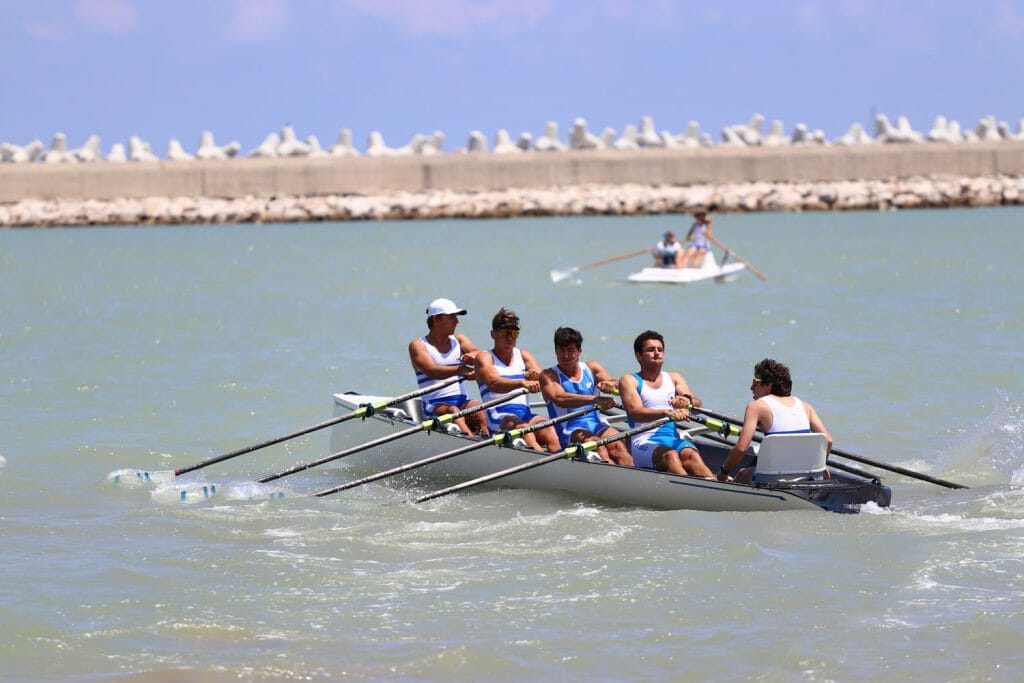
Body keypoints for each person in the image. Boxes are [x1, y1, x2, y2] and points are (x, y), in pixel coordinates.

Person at [717, 358, 833, 483]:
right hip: (807, 477)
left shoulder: (756, 406)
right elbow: (828, 440)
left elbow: (741, 449)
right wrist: (822, 465)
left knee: (741, 474)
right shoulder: (806, 406)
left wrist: (723, 472)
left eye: (755, 381)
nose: (751, 387)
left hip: (772, 479)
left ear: (768, 386)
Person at [618, 330, 713, 477]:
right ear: (638, 355)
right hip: (643, 440)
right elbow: (635, 413)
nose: (657, 353)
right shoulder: (630, 380)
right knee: (670, 455)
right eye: (650, 350)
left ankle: (713, 486)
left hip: (671, 438)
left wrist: (687, 400)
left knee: (691, 455)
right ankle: (688, 491)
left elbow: (697, 405)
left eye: (660, 350)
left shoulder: (674, 378)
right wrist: (666, 412)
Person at [540, 327, 634, 466]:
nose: (565, 355)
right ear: (556, 351)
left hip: (597, 425)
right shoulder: (548, 375)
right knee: (597, 446)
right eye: (561, 350)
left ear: (579, 352)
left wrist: (611, 384)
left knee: (620, 447)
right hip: (569, 430)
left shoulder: (592, 368)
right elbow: (560, 398)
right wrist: (595, 399)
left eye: (571, 350)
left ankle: (631, 482)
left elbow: (618, 384)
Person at [474, 307, 561, 452]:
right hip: (498, 417)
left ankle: (560, 467)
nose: (509, 337)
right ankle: (541, 461)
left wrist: (539, 377)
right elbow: (494, 383)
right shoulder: (484, 357)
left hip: (525, 414)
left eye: (513, 332)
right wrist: (522, 382)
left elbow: (547, 381)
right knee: (523, 428)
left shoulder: (524, 355)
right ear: (493, 334)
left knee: (550, 429)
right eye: (504, 332)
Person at [408, 297, 488, 436]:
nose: (457, 321)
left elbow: (481, 354)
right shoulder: (418, 345)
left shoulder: (459, 340)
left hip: (462, 402)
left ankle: (488, 439)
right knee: (453, 411)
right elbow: (432, 371)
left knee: (479, 408)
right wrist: (461, 369)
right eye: (452, 317)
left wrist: (474, 356)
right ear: (436, 319)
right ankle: (469, 440)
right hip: (434, 406)